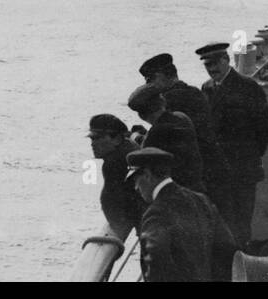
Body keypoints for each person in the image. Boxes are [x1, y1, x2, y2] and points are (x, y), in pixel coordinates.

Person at [196, 42, 268, 248]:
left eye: (215, 64)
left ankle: (243, 262)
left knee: (241, 219)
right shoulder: (207, 88)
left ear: (226, 60)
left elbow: (265, 127)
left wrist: (250, 155)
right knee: (224, 219)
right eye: (207, 66)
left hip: (243, 168)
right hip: (218, 171)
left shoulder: (248, 87)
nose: (212, 69)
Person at [138, 52, 231, 215]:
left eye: (149, 80)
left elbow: (162, 136)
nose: (149, 86)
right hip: (215, 167)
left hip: (197, 176)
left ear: (159, 76)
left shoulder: (169, 101)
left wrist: (138, 138)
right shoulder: (195, 92)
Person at [126, 146, 236, 282]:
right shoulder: (201, 200)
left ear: (147, 175)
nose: (136, 187)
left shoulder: (156, 212)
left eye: (136, 179)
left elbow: (155, 260)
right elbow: (227, 247)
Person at [127, 83, 205, 193]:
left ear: (142, 116)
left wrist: (134, 136)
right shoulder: (182, 117)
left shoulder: (154, 135)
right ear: (162, 102)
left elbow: (147, 148)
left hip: (176, 194)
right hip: (196, 188)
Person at [87, 113, 142, 239]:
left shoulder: (114, 162)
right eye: (92, 139)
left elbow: (110, 202)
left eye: (97, 138)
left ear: (116, 139)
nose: (93, 144)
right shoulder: (129, 147)